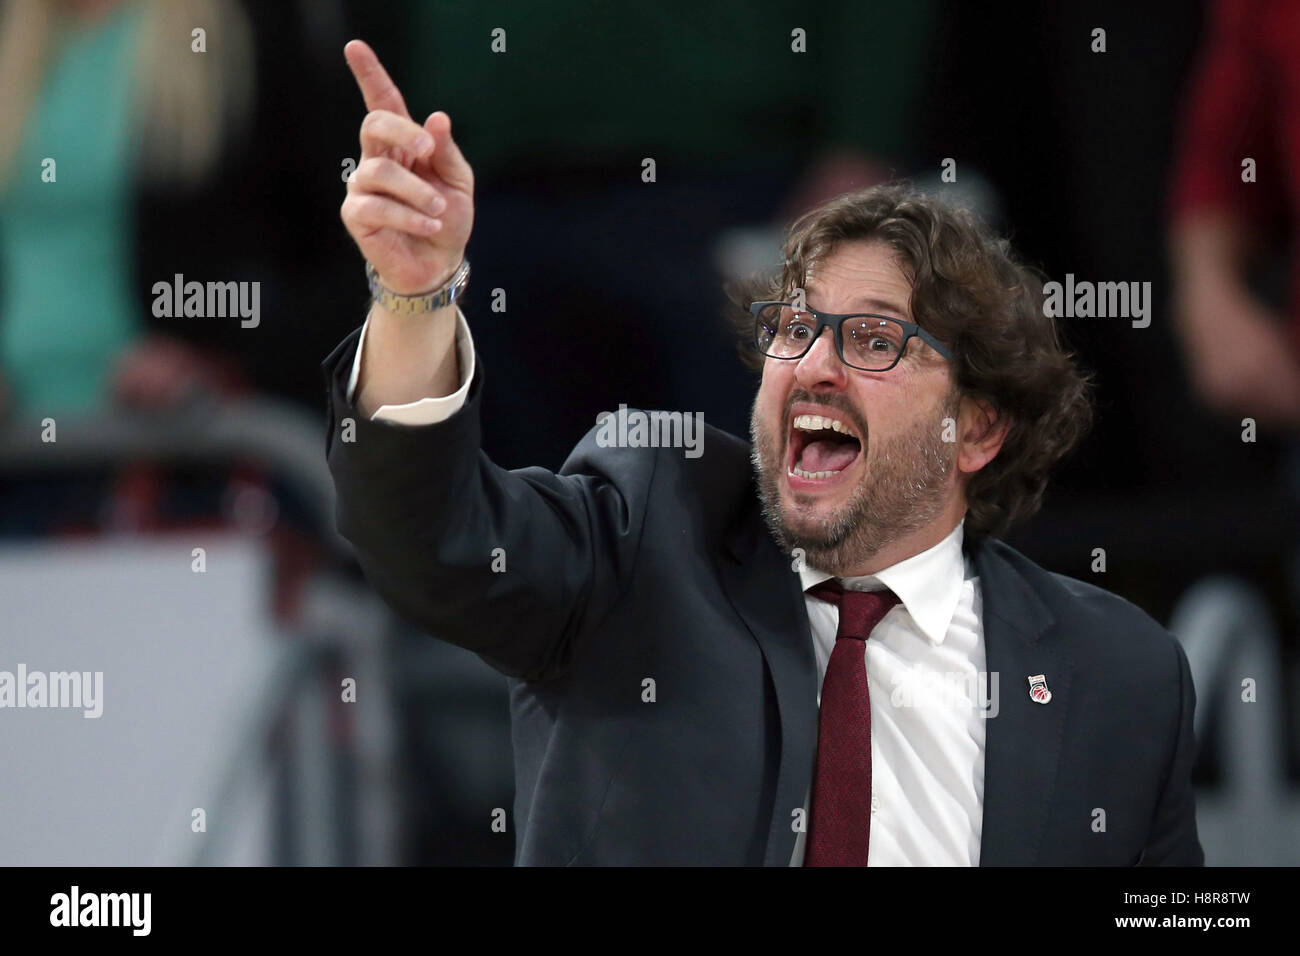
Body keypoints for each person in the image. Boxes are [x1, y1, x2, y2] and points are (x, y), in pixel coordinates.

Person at [322, 40, 1205, 866]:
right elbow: (428, 539)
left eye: (869, 339)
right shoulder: (644, 541)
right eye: (790, 329)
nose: (811, 367)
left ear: (976, 429)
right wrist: (415, 296)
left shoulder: (1120, 674)